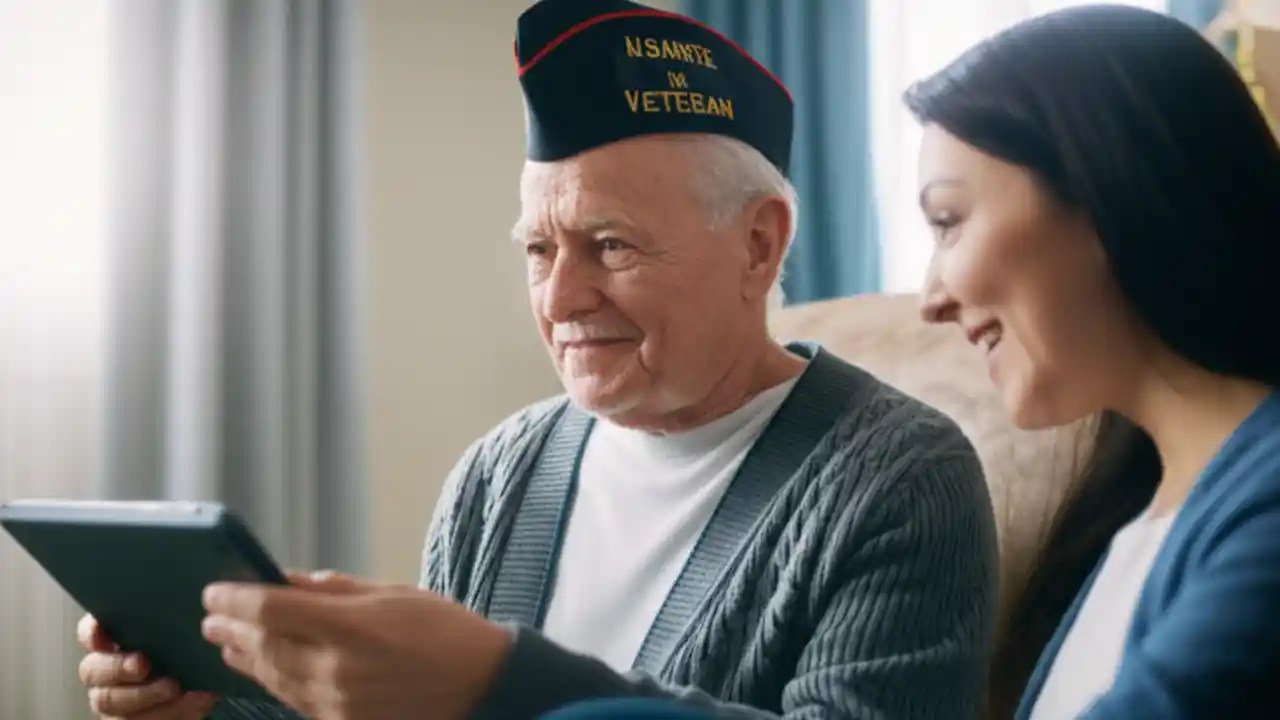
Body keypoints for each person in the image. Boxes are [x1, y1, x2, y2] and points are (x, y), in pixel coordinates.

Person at [74, 1, 998, 719]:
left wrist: (498, 682)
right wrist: (211, 699)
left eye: (611, 245)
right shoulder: (499, 470)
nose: (559, 303)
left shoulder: (900, 480)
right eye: (537, 250)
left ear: (758, 245)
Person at [907, 5, 1280, 719]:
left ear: (1106, 188)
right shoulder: (1127, 528)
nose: (932, 300)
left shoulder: (1265, 507)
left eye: (949, 221)